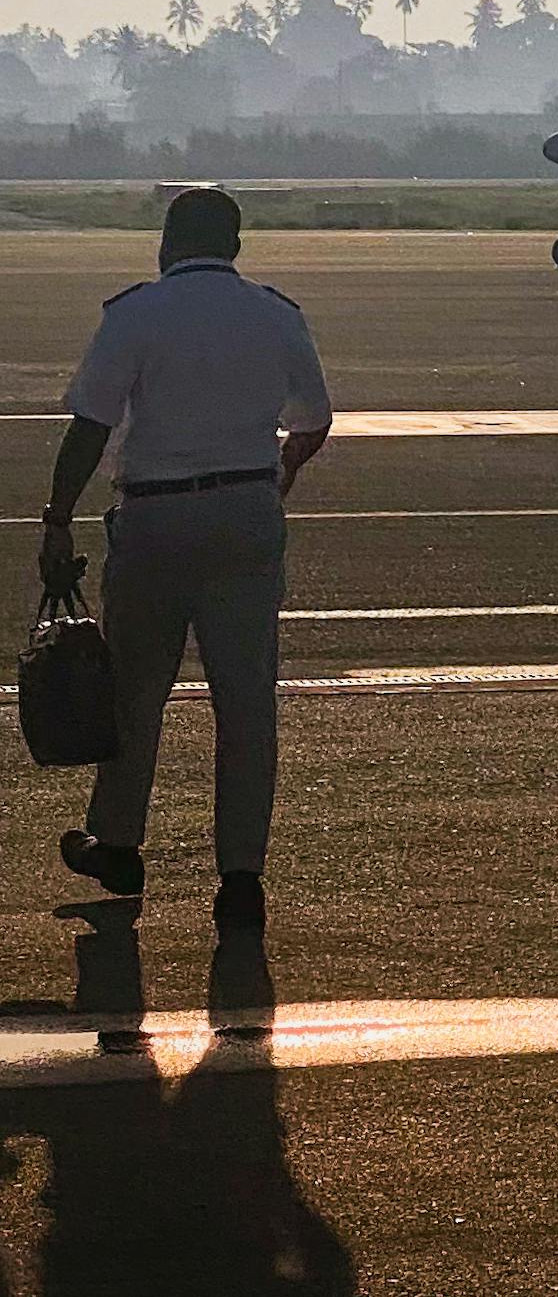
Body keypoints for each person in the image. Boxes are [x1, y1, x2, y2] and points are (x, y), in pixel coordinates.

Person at [36, 188, 333, 931]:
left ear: (167, 242)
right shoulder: (276, 314)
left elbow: (90, 427)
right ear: (235, 244)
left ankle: (118, 841)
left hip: (156, 517)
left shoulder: (134, 314)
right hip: (244, 512)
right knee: (246, 702)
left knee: (135, 691)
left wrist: (58, 519)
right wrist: (280, 477)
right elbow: (313, 418)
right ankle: (240, 873)